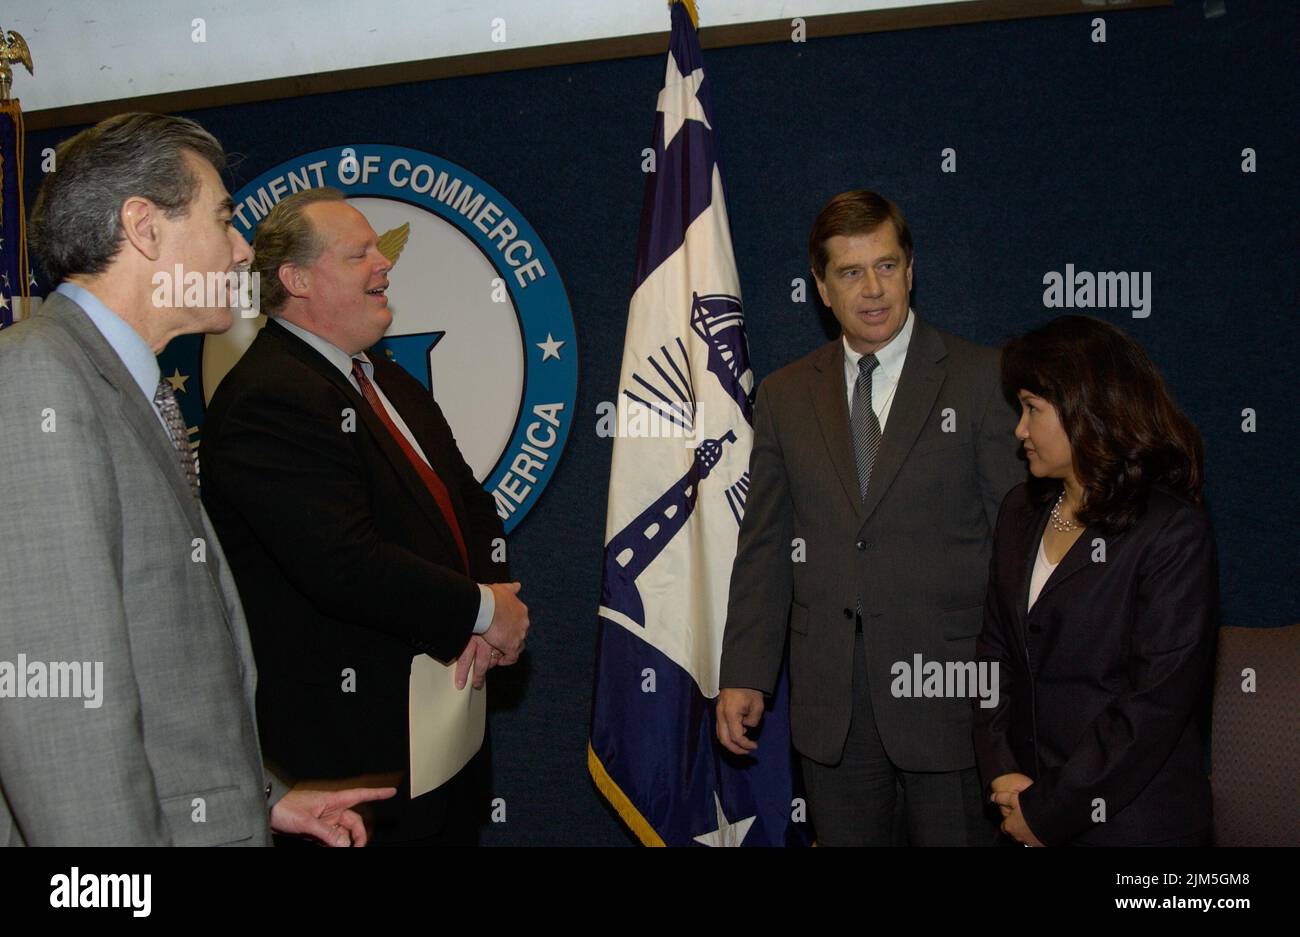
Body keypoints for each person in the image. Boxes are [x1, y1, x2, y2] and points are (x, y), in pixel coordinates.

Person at [0, 113, 390, 846]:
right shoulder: (36, 379)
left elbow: (158, 659)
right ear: (145, 228)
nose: (243, 250)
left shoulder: (128, 390)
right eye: (223, 218)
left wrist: (257, 795)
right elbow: (60, 718)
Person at [200, 186, 528, 846]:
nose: (386, 263)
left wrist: (487, 607)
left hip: (440, 736)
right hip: (349, 772)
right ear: (295, 279)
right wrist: (480, 611)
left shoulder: (383, 376)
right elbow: (343, 563)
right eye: (360, 254)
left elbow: (470, 505)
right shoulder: (269, 397)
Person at [716, 190, 1023, 845]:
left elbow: (1016, 548)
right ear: (821, 288)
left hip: (954, 700)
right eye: (851, 272)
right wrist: (745, 669)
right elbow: (765, 545)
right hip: (834, 708)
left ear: (911, 268)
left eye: (887, 266)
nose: (874, 288)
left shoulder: (980, 380)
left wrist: (1023, 688)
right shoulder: (783, 395)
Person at [976, 315, 1216, 846]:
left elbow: (1152, 705)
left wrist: (1049, 810)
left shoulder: (1171, 531)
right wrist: (1002, 772)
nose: (1019, 429)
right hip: (1021, 806)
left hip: (1133, 826)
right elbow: (993, 652)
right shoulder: (1021, 509)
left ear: (1086, 412)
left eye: (1032, 409)